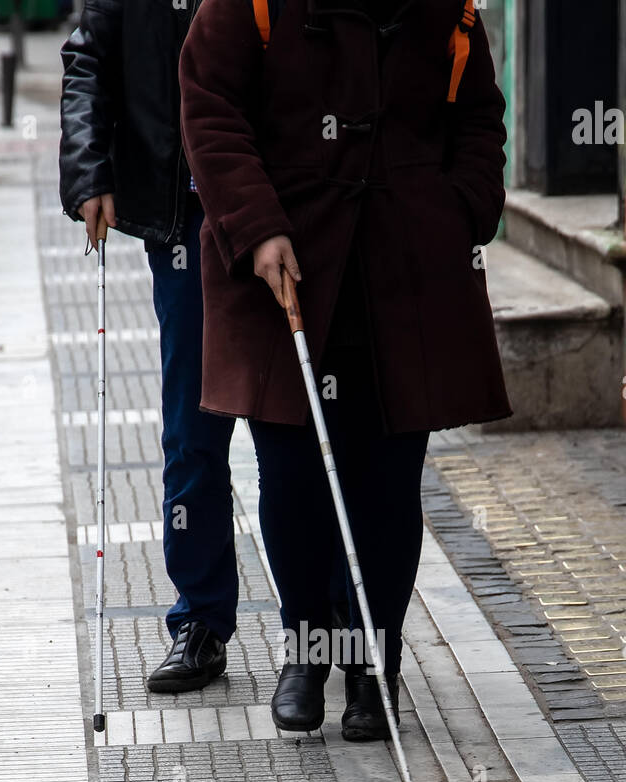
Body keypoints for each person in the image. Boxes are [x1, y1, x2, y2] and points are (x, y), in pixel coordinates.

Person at [180, 0, 511, 738]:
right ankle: (306, 651)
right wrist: (256, 226)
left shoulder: (448, 8)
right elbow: (211, 109)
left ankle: (373, 663)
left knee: (387, 486)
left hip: (406, 279)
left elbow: (478, 119)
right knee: (292, 479)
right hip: (285, 275)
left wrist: (461, 209)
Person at [59, 0, 236, 693]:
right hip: (186, 218)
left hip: (291, 209)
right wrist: (89, 171)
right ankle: (201, 619)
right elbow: (89, 57)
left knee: (297, 429)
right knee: (192, 426)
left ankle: (323, 626)